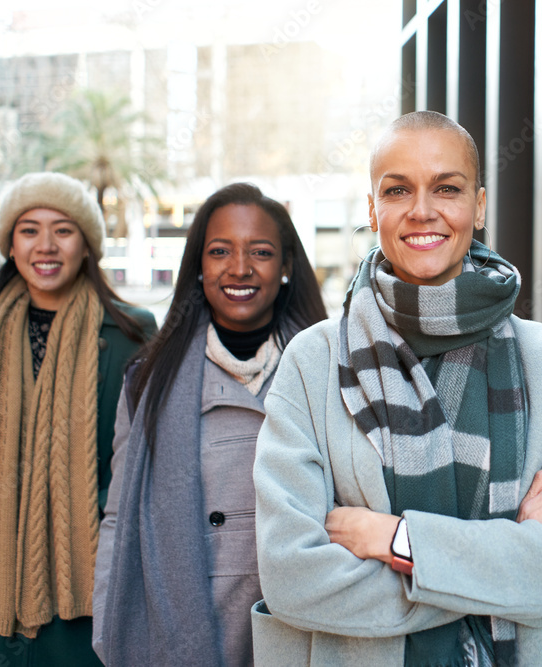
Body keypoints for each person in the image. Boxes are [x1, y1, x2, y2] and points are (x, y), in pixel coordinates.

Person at [250, 110, 542, 666]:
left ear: (479, 205)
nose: (423, 211)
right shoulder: (314, 363)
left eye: (447, 188)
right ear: (373, 208)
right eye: (398, 190)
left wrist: (399, 541)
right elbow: (294, 579)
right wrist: (512, 546)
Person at [0, 172, 155, 665]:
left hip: (89, 591)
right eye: (28, 229)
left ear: (87, 245)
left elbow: (147, 466)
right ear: (10, 244)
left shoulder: (134, 330)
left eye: (63, 230)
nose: (45, 245)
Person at [91, 182, 327, 667]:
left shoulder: (330, 370)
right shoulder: (149, 380)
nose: (239, 268)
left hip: (305, 622)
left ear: (285, 266)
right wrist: (107, 627)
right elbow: (119, 516)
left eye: (260, 252)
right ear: (198, 266)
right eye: (220, 251)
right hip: (187, 623)